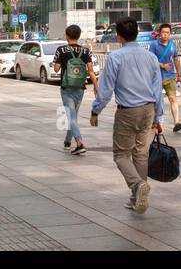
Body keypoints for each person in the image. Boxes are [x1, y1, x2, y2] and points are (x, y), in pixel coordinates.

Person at [90, 18, 164, 214]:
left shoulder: (116, 57)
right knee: (141, 153)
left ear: (119, 36)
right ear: (137, 34)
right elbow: (158, 90)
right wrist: (159, 117)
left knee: (121, 155)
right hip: (148, 110)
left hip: (127, 112)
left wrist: (95, 110)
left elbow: (105, 90)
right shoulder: (151, 58)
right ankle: (137, 198)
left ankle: (137, 186)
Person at [53, 25, 99, 155]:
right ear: (79, 36)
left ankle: (79, 143)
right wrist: (96, 86)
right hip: (80, 88)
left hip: (66, 88)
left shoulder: (61, 50)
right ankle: (67, 141)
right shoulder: (85, 51)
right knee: (73, 116)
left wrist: (59, 63)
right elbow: (91, 71)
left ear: (67, 36)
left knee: (71, 117)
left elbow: (56, 69)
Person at [147, 23, 181, 132]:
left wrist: (179, 75)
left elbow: (176, 60)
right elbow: (151, 61)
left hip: (169, 77)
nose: (165, 35)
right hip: (156, 78)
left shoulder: (172, 45)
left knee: (173, 99)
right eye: (163, 32)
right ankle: (159, 123)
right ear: (159, 33)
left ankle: (176, 122)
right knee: (158, 101)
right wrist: (163, 65)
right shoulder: (154, 45)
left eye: (167, 33)